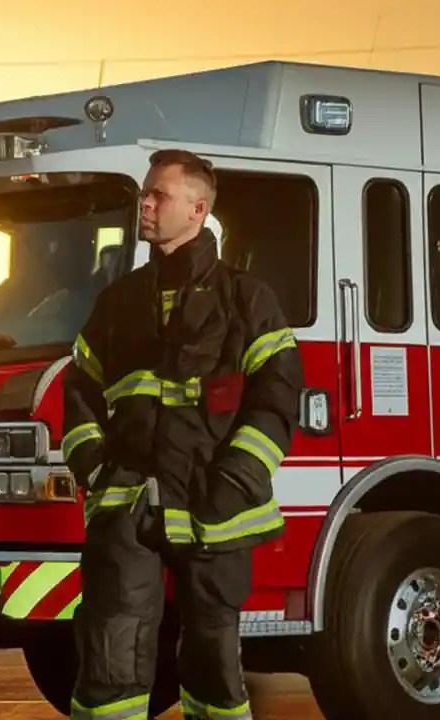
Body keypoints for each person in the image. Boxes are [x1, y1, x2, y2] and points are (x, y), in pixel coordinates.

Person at [60, 148, 305, 720]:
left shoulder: (248, 301)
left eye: (158, 196)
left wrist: (236, 478)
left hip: (213, 509)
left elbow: (277, 396)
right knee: (109, 658)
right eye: (144, 194)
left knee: (213, 664)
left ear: (197, 208)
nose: (144, 204)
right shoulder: (117, 303)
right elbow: (78, 393)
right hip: (128, 506)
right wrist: (96, 467)